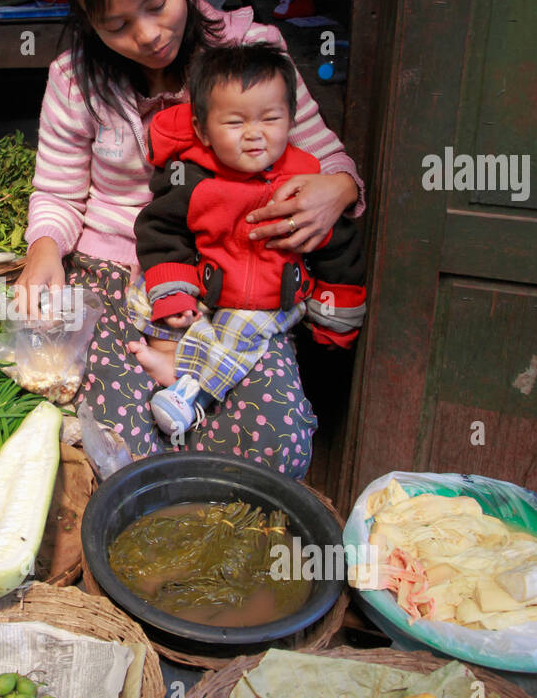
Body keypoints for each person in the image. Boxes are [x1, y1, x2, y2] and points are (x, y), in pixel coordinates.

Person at [16, 0, 365, 477]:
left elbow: (324, 154)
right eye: (117, 25)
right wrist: (44, 250)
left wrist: (337, 187)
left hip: (238, 275)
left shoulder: (251, 53)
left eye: (157, 5)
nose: (149, 35)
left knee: (276, 446)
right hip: (121, 269)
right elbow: (57, 193)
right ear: (87, 21)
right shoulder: (75, 83)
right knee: (125, 451)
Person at [130, 42, 366, 437]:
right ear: (203, 132)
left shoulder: (305, 186)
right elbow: (161, 232)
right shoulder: (190, 180)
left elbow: (339, 247)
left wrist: (335, 319)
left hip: (268, 299)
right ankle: (170, 353)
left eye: (270, 119)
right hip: (207, 283)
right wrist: (175, 295)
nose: (254, 135)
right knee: (147, 293)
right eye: (235, 123)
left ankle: (192, 396)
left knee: (241, 332)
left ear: (291, 121)